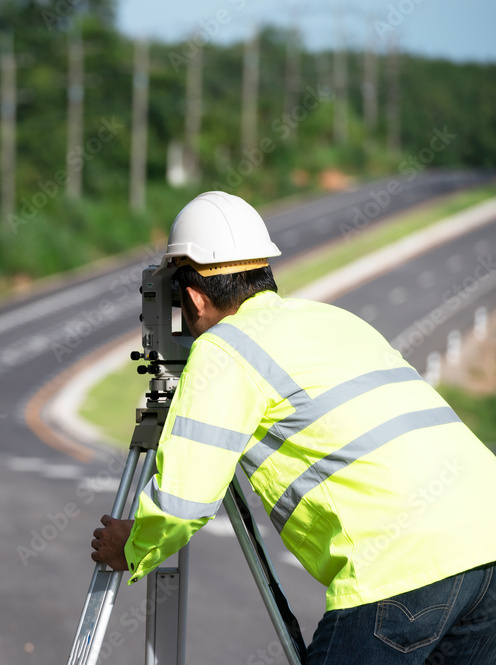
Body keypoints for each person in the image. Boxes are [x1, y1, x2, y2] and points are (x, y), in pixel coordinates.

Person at [90, 191, 496, 664]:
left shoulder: (224, 350)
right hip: (486, 543)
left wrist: (133, 545)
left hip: (400, 568)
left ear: (195, 298)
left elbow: (185, 503)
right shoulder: (331, 318)